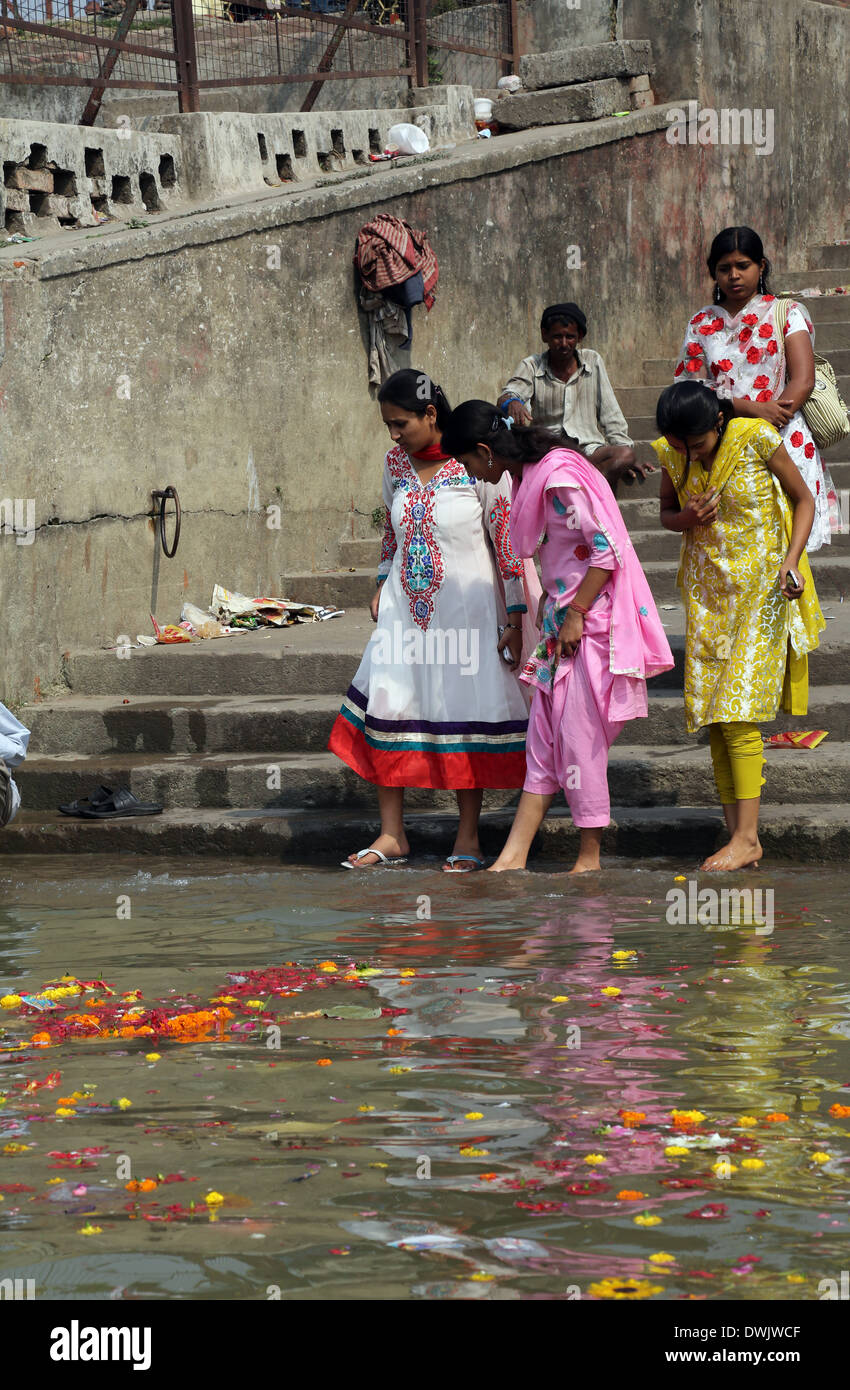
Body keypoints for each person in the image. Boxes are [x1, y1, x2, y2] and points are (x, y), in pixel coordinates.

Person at [440, 401, 673, 875]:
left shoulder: (557, 479)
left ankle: (589, 860)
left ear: (485, 452)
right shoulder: (532, 478)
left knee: (578, 741)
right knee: (543, 743)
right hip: (560, 627)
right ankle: (511, 857)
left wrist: (576, 613)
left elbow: (605, 551)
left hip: (590, 628)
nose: (469, 475)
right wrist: (555, 607)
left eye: (467, 464)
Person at [328, 370, 535, 873]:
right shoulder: (395, 462)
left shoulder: (476, 460)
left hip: (468, 612)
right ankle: (392, 834)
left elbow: (505, 541)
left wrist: (513, 617)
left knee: (467, 709)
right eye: (388, 425)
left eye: (401, 423)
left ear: (431, 416)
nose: (394, 434)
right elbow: (390, 534)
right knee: (391, 701)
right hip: (405, 609)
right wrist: (381, 581)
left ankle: (468, 837)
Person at [653, 380, 825, 872]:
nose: (691, 454)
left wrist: (790, 562)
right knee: (716, 719)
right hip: (708, 597)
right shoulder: (672, 451)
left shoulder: (754, 436)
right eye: (682, 446)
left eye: (699, 444)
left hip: (762, 592)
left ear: (718, 423)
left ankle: (748, 837)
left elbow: (803, 500)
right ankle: (738, 839)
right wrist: (684, 517)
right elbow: (665, 513)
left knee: (739, 711)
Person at [674, 225, 838, 550]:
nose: (734, 275)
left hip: (783, 436)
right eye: (724, 268)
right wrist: (750, 410)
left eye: (743, 266)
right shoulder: (700, 323)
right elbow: (691, 388)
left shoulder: (786, 312)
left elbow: (803, 379)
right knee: (739, 548)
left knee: (787, 544)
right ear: (714, 273)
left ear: (761, 266)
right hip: (725, 441)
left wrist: (770, 416)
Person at [498, 302, 653, 494]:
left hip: (588, 452)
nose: (563, 343)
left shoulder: (593, 360)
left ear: (580, 337)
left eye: (570, 337)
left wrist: (626, 456)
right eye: (557, 337)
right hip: (549, 453)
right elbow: (510, 392)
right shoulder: (531, 365)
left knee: (625, 454)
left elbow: (610, 413)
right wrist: (512, 401)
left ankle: (590, 491)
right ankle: (588, 488)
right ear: (544, 335)